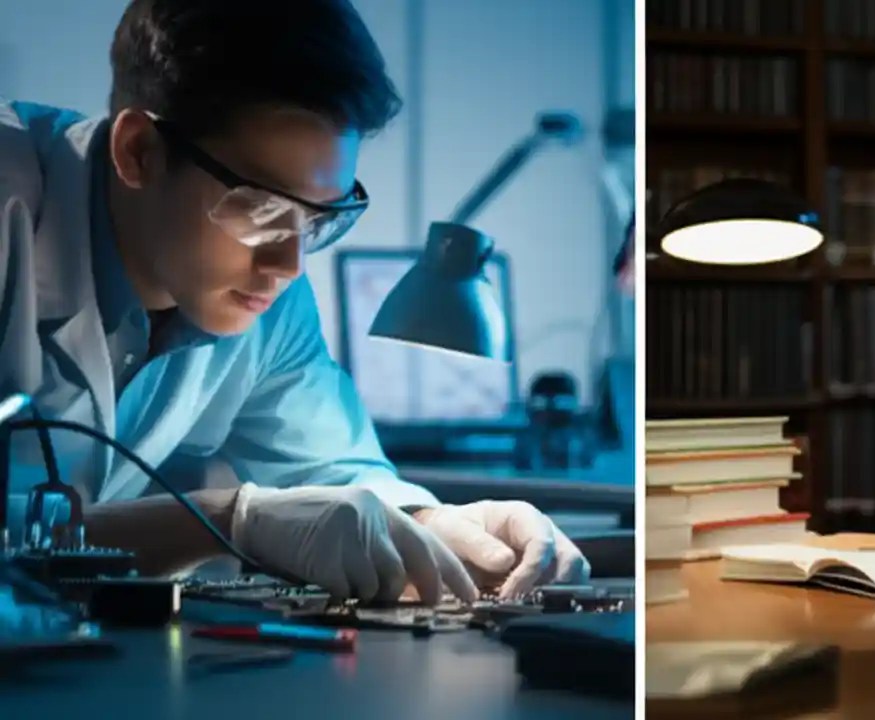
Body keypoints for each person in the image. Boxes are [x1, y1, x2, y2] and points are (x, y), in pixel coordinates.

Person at [0, 0, 587, 605]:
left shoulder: (265, 293)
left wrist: (432, 523)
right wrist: (224, 521)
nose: (289, 266)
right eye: (260, 209)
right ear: (140, 152)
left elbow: (332, 477)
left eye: (319, 218)